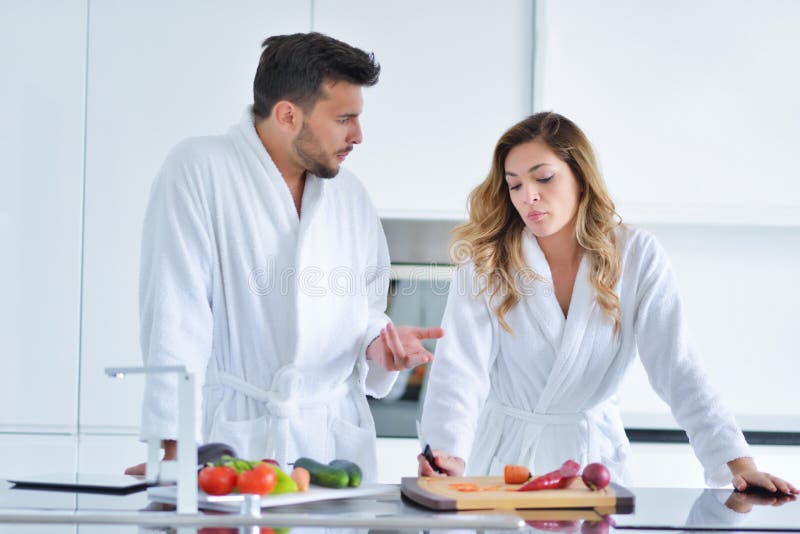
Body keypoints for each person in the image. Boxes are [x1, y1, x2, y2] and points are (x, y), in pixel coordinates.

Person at [417, 112, 796, 494]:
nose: (528, 196)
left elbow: (678, 369)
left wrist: (736, 462)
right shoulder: (486, 262)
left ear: (580, 176)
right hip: (505, 466)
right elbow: (459, 370)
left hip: (593, 466)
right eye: (514, 185)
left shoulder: (635, 256)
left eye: (544, 178)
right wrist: (446, 454)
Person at [125, 32, 443, 481]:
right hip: (237, 439)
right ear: (288, 115)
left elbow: (364, 310)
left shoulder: (349, 196)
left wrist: (380, 347)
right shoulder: (199, 169)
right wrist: (175, 450)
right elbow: (175, 318)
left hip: (332, 443)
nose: (358, 135)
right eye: (344, 118)